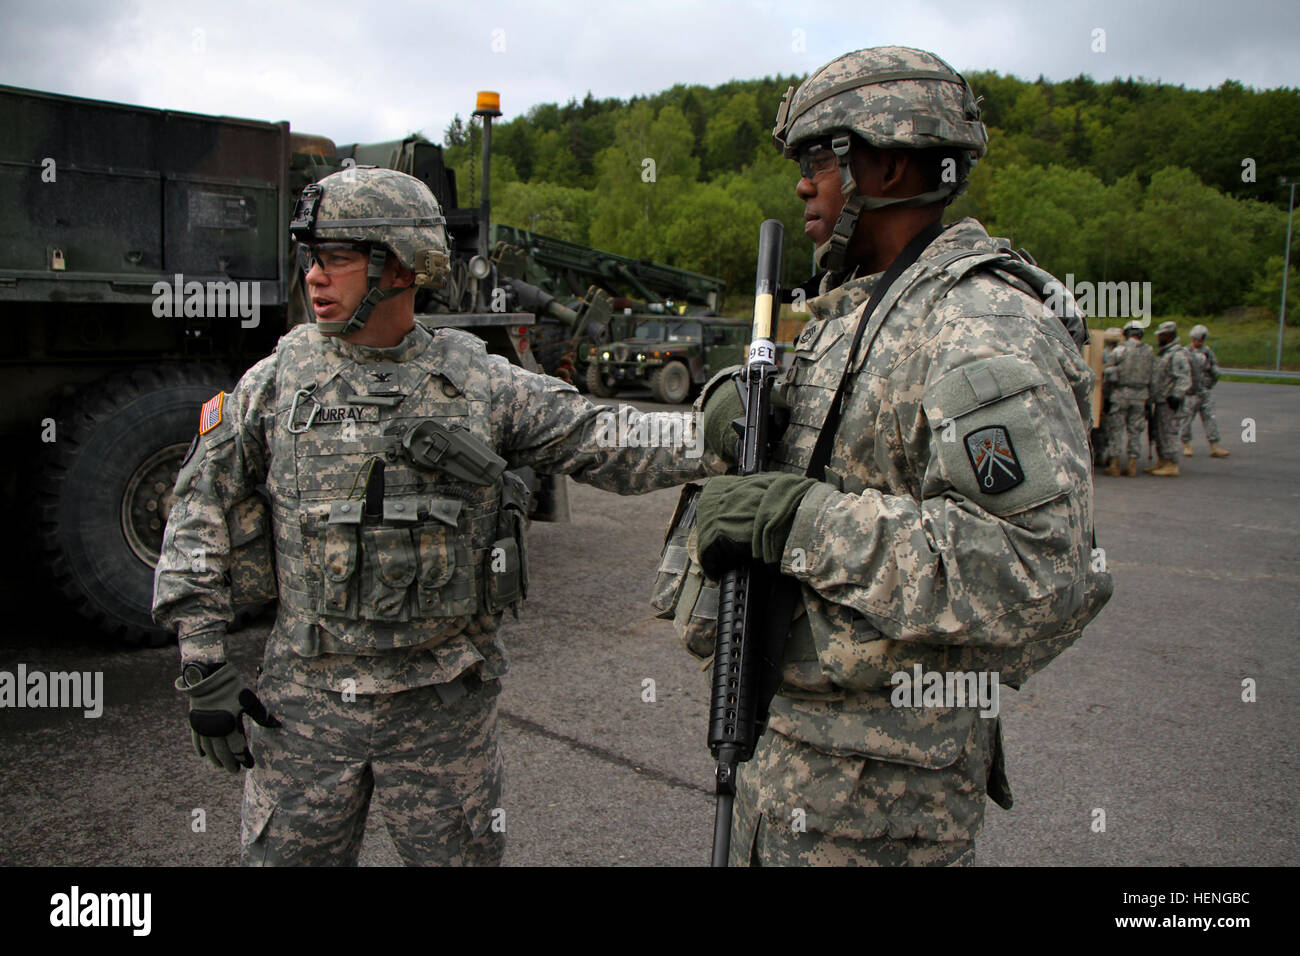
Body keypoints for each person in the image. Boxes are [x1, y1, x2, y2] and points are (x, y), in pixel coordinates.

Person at [153, 165, 721, 866]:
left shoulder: (478, 382)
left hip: (443, 705)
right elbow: (197, 506)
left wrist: (717, 433)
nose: (314, 278)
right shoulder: (275, 383)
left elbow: (599, 435)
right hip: (307, 706)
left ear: (398, 267)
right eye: (310, 259)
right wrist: (203, 662)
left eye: (335, 258)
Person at [679, 46, 1111, 866]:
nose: (803, 184)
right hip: (787, 759)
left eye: (818, 159)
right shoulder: (859, 313)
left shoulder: (980, 322)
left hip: (883, 809)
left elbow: (1036, 571)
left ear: (887, 162)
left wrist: (801, 522)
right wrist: (735, 413)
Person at [1103, 320, 1156, 476]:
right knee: (1135, 430)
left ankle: (1114, 464)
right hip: (1141, 395)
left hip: (1120, 394)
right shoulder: (1149, 351)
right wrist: (1150, 399)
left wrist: (1106, 397)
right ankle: (1132, 464)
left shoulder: (1119, 351)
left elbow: (1108, 376)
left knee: (1116, 429)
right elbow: (1154, 376)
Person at [1146, 320, 1192, 476]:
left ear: (1170, 335)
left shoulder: (1177, 354)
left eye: (1162, 335)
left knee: (1169, 431)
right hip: (1161, 399)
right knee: (1159, 432)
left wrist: (1177, 395)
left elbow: (1184, 377)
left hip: (1169, 400)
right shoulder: (1166, 352)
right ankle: (1163, 461)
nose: (1159, 338)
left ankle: (1172, 464)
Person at [1181, 323, 1229, 458]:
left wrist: (1210, 382)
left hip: (1204, 392)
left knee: (1210, 418)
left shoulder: (1207, 352)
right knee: (1186, 419)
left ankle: (1215, 446)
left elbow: (1214, 368)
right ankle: (1187, 445)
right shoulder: (1185, 352)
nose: (1199, 342)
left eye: (1201, 339)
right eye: (1197, 339)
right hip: (1191, 393)